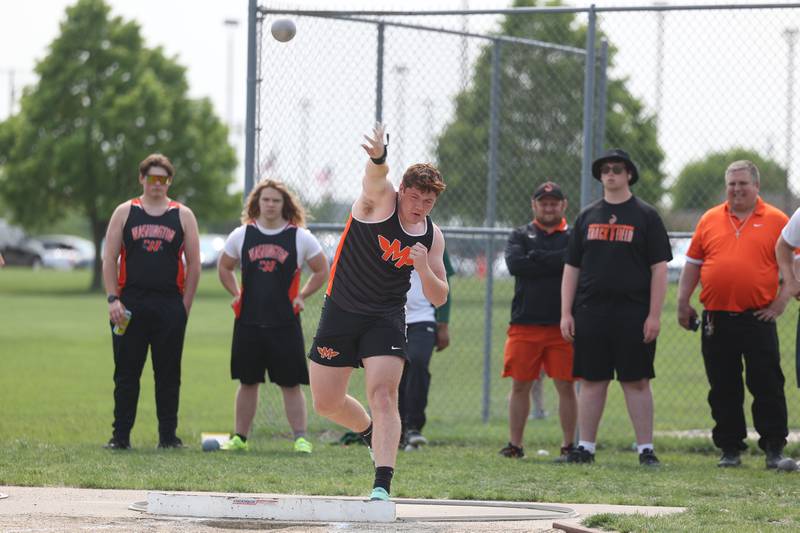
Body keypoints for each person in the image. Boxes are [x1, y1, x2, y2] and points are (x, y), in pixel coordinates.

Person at [308, 123, 448, 501]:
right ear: (402, 191)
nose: (419, 208)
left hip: (385, 317)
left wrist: (422, 269)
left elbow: (439, 297)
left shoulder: (431, 235)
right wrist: (379, 158)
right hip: (340, 310)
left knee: (385, 395)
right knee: (326, 403)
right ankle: (369, 431)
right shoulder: (379, 202)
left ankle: (382, 486)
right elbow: (375, 179)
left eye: (428, 203)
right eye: (415, 198)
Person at [560, 149, 671, 467]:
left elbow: (659, 268)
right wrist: (566, 312)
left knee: (636, 381)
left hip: (633, 312)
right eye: (605, 169)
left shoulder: (645, 216)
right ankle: (586, 447)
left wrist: (653, 314)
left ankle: (645, 448)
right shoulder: (588, 215)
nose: (610, 174)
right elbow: (572, 268)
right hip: (592, 311)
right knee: (592, 380)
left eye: (617, 169)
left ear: (629, 175)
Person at [678, 160, 790, 469]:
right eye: (732, 184)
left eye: (743, 183)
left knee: (767, 383)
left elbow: (793, 265)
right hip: (716, 318)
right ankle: (730, 448)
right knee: (723, 386)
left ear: (757, 186)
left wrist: (781, 302)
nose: (737, 189)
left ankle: (774, 449)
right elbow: (693, 264)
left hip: (758, 318)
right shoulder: (710, 219)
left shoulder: (777, 220)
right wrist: (682, 301)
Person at [217, 180, 329, 454]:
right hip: (249, 321)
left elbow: (321, 269)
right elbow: (225, 266)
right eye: (265, 200)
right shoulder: (242, 235)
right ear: (257, 203)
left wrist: (302, 295)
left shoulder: (299, 237)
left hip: (284, 322)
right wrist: (235, 292)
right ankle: (240, 438)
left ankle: (300, 438)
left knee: (290, 383)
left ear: (284, 204)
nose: (270, 205)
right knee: (247, 381)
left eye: (275, 200)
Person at [102, 153, 201, 450]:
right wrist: (112, 299)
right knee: (126, 373)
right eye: (152, 178)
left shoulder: (182, 214)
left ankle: (168, 438)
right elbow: (110, 258)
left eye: (163, 179)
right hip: (129, 303)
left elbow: (194, 264)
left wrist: (184, 306)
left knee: (169, 374)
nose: (157, 184)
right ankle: (120, 437)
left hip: (169, 304)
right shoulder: (125, 211)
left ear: (169, 182)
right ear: (142, 179)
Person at [500, 181, 577, 461]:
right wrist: (556, 262)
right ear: (534, 205)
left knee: (566, 385)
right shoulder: (520, 234)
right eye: (543, 202)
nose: (549, 207)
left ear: (563, 205)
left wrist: (538, 258)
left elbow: (574, 262)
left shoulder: (572, 235)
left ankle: (569, 446)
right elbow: (515, 265)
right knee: (520, 384)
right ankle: (515, 445)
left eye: (554, 202)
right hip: (525, 322)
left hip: (562, 325)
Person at [398, 248, 454, 451]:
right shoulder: (385, 230)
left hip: (422, 317)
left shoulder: (432, 236)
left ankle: (413, 427)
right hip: (391, 316)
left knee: (417, 362)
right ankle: (396, 430)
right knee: (393, 371)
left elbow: (446, 282)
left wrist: (444, 324)